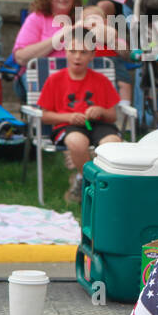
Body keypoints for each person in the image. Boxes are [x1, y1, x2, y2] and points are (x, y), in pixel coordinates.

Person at [36, 41, 122, 203]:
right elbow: (45, 116)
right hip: (67, 125)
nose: (77, 56)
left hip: (99, 123)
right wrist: (68, 117)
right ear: (65, 52)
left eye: (83, 52)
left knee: (112, 143)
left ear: (92, 55)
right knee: (77, 142)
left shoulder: (101, 80)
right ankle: (87, 180)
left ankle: (105, 183)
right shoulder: (55, 80)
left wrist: (100, 111)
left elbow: (112, 116)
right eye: (73, 51)